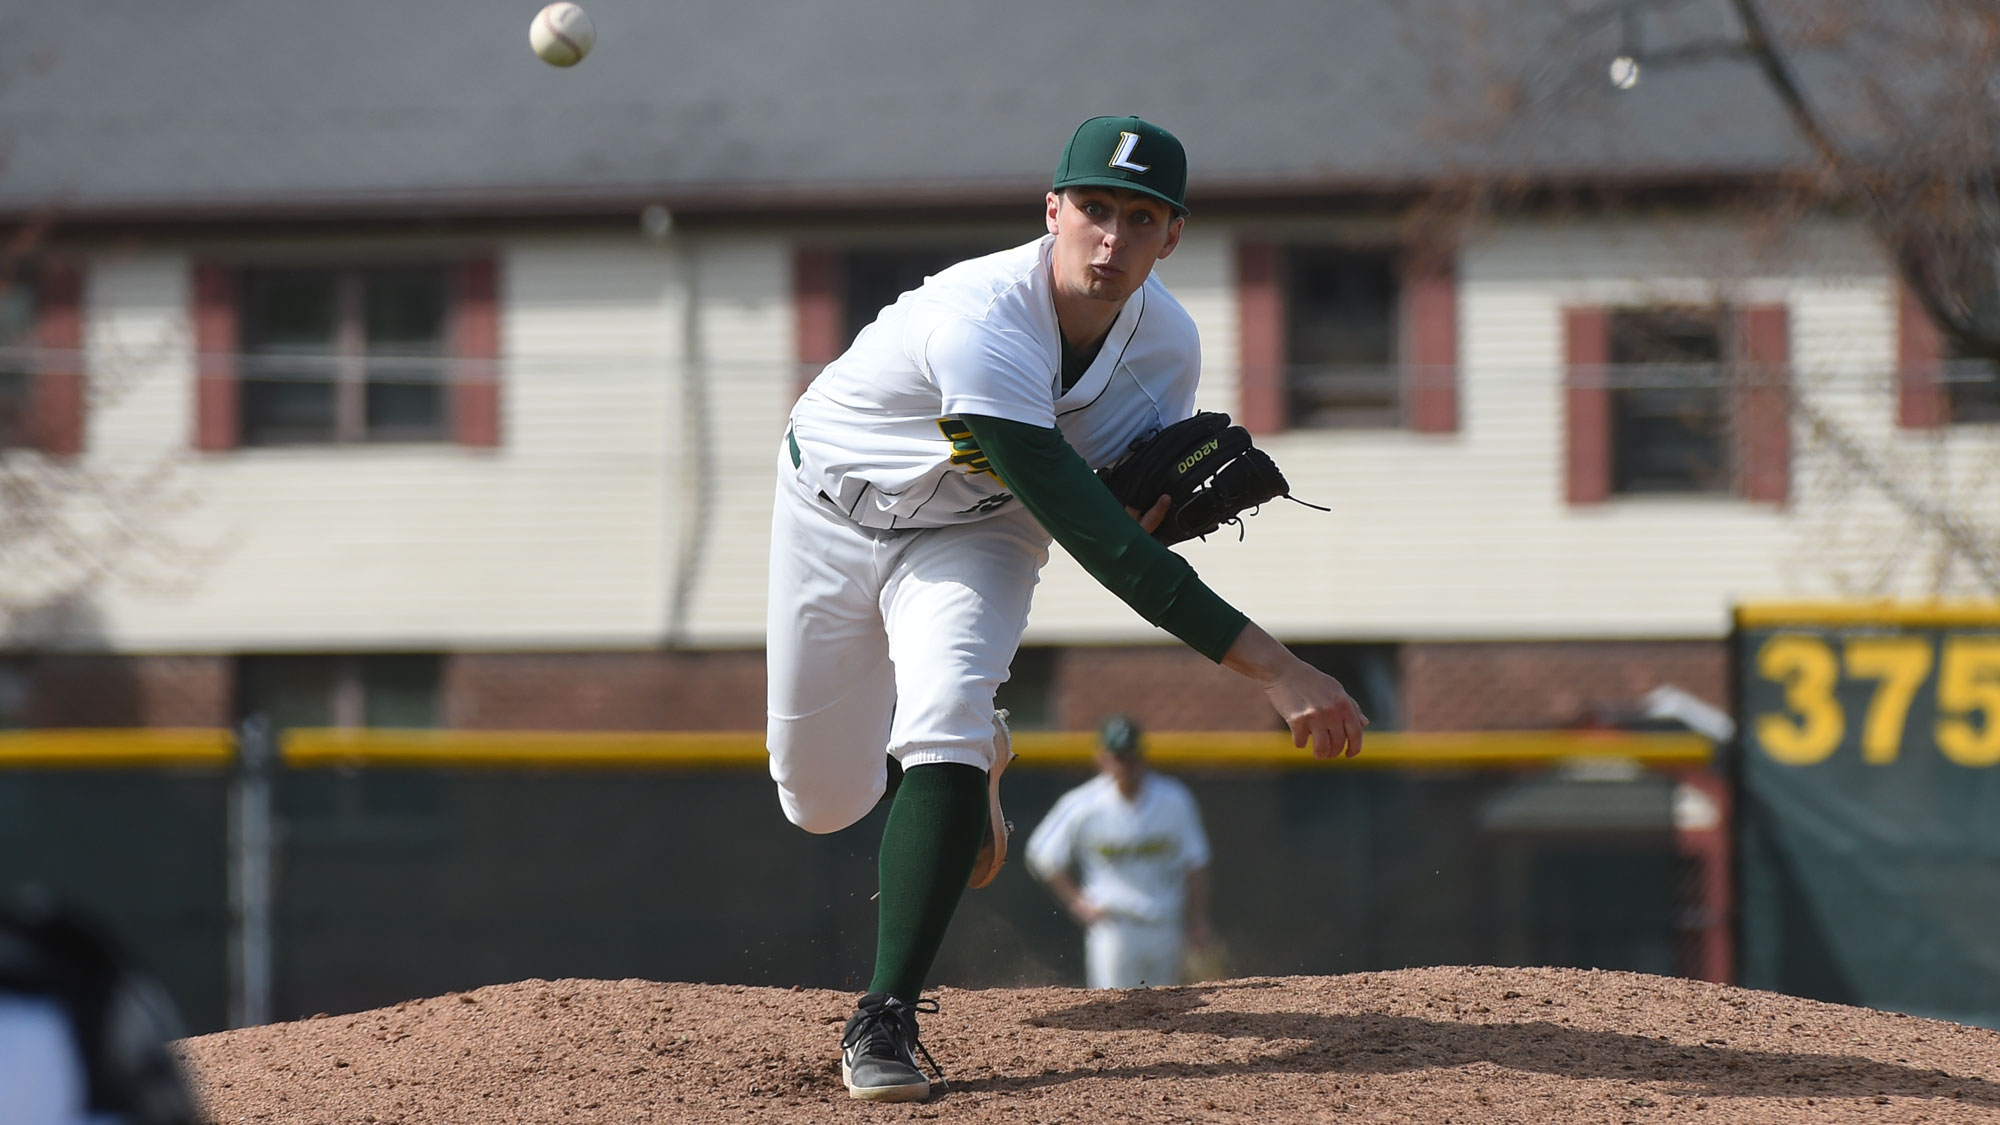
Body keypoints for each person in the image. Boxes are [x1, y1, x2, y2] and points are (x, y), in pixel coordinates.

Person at [766, 114, 1368, 1103]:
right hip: (829, 509)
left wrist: (1137, 514)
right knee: (820, 799)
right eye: (1093, 208)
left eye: (1140, 218)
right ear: (1051, 210)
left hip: (981, 534)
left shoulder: (1164, 344)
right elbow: (1104, 544)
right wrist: (1277, 667)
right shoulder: (980, 318)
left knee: (944, 724)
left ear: (1171, 236)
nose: (1110, 237)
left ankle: (882, 1020)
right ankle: (966, 763)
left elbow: (1119, 515)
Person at [1025, 715, 1215, 989]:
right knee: (1114, 1011)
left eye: (1130, 755)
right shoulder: (1083, 803)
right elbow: (1041, 854)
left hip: (1165, 923)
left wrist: (1197, 921)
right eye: (1117, 755)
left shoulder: (1174, 798)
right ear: (1102, 757)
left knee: (1170, 1014)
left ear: (1142, 756)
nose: (1124, 763)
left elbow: (1195, 862)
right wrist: (1076, 902)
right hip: (1114, 925)